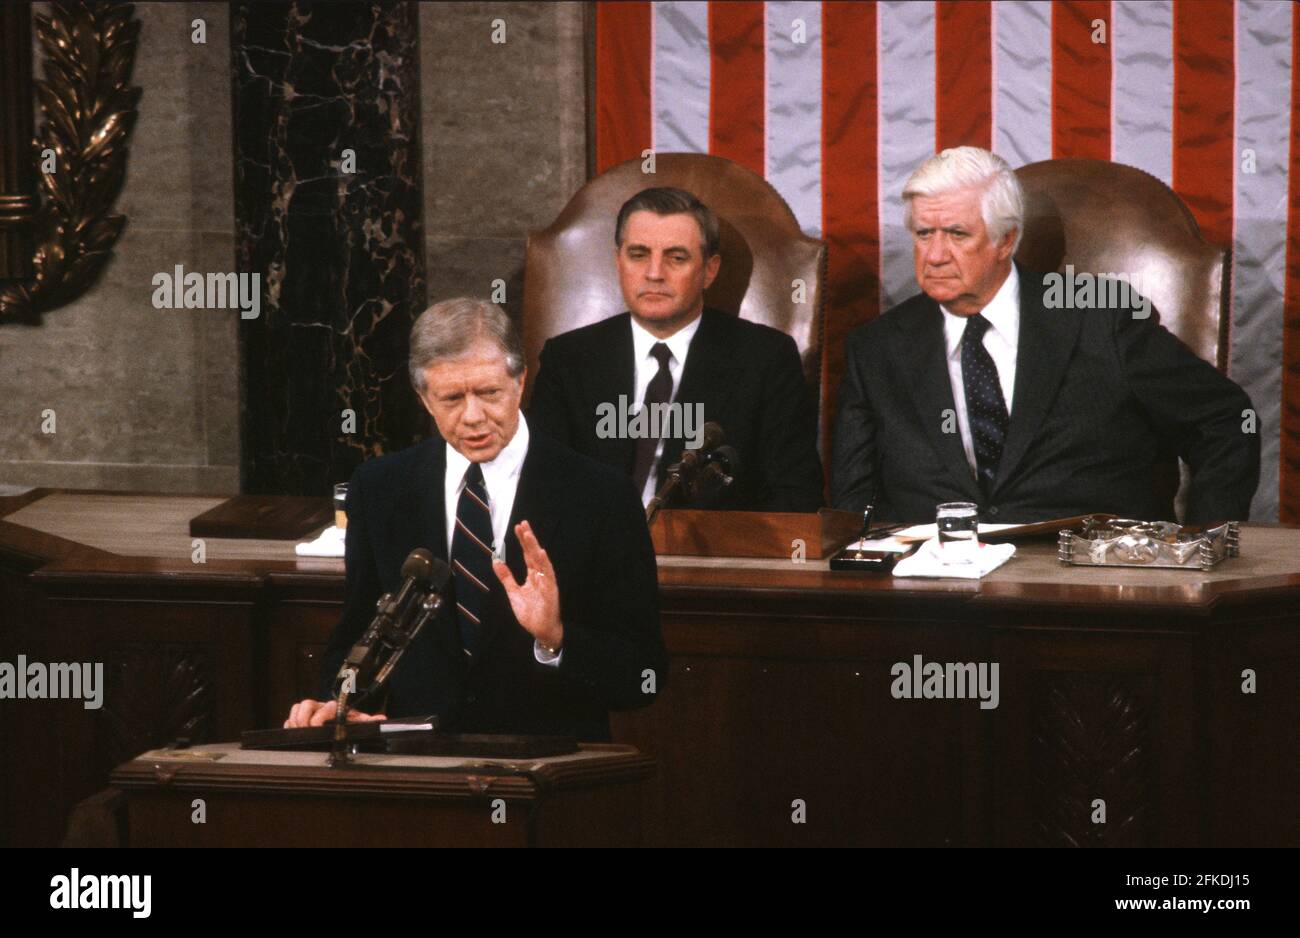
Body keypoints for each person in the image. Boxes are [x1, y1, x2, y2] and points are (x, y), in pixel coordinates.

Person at [285, 298, 666, 741]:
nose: (473, 417)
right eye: (451, 398)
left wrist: (556, 638)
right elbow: (359, 636)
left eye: (489, 393)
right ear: (424, 399)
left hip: (550, 772)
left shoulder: (601, 495)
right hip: (422, 776)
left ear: (520, 382)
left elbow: (644, 675)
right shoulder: (380, 488)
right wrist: (340, 702)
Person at [832, 146, 1259, 524]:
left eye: (957, 234)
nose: (936, 255)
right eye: (924, 234)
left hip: (1087, 587)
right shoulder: (877, 348)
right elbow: (854, 506)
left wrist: (1204, 544)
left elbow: (1226, 422)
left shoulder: (1099, 314)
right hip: (934, 595)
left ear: (1006, 240)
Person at [528, 186, 824, 512]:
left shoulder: (766, 359)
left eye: (676, 257)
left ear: (709, 271)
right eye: (638, 255)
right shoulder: (569, 359)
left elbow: (796, 498)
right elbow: (540, 486)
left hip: (713, 555)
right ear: (618, 261)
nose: (654, 274)